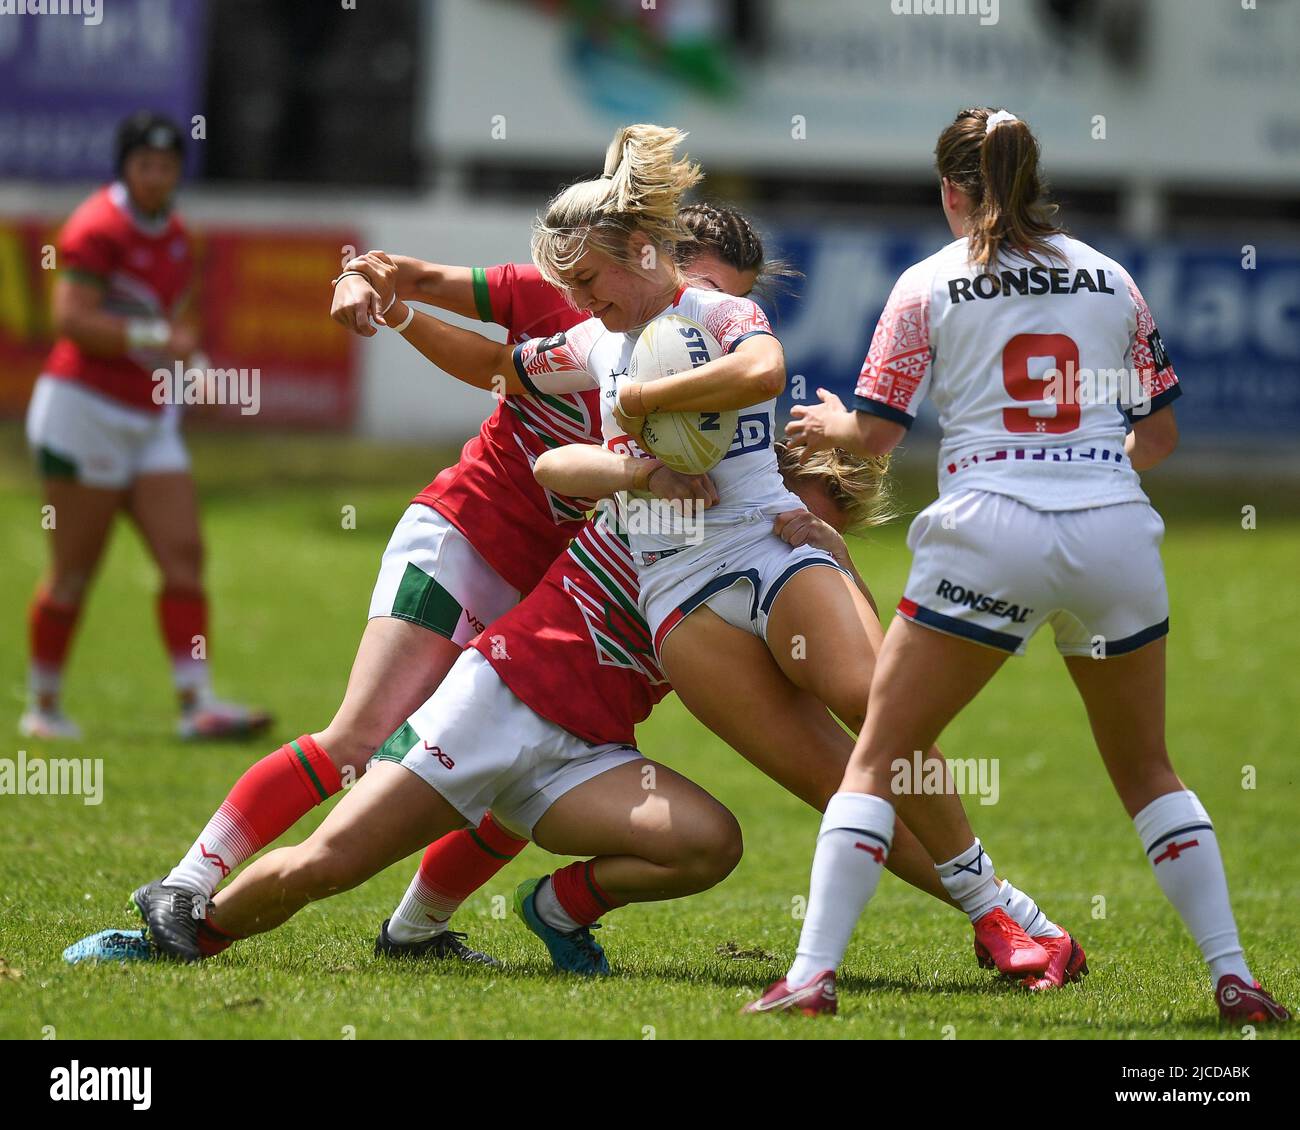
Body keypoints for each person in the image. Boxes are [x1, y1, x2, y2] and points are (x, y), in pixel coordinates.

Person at [372, 122, 1079, 985]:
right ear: (657, 253)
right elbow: (500, 367)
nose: (594, 296)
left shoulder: (713, 318)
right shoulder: (596, 326)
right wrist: (401, 308)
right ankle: (1000, 917)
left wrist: (649, 406)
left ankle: (1007, 920)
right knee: (834, 783)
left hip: (763, 552)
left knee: (884, 716)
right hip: (675, 597)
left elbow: (760, 377)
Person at [128, 200, 781, 964]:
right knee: (361, 737)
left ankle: (416, 933)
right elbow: (448, 320)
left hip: (547, 577)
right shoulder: (571, 300)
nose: (713, 314)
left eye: (732, 299)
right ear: (653, 257)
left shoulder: (707, 371)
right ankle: (186, 882)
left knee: (522, 768)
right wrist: (368, 288)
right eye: (704, 284)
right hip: (468, 535)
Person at [752, 107, 1288, 1023]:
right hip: (1114, 532)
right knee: (1148, 769)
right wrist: (1088, 466)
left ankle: (810, 976)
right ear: (1033, 180)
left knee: (878, 758)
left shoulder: (927, 283)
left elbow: (876, 437)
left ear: (952, 191)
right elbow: (1157, 434)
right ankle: (1233, 974)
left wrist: (827, 424)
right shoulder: (1112, 278)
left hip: (988, 529)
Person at [21, 110, 269, 741]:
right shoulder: (96, 227)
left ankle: (197, 704)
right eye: (144, 165)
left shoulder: (181, 237)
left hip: (149, 417)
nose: (157, 177)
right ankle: (43, 706)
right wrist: (157, 337)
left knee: (184, 555)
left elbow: (176, 331)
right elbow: (71, 320)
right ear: (125, 168)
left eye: (166, 166)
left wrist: (200, 369)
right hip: (84, 413)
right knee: (76, 568)